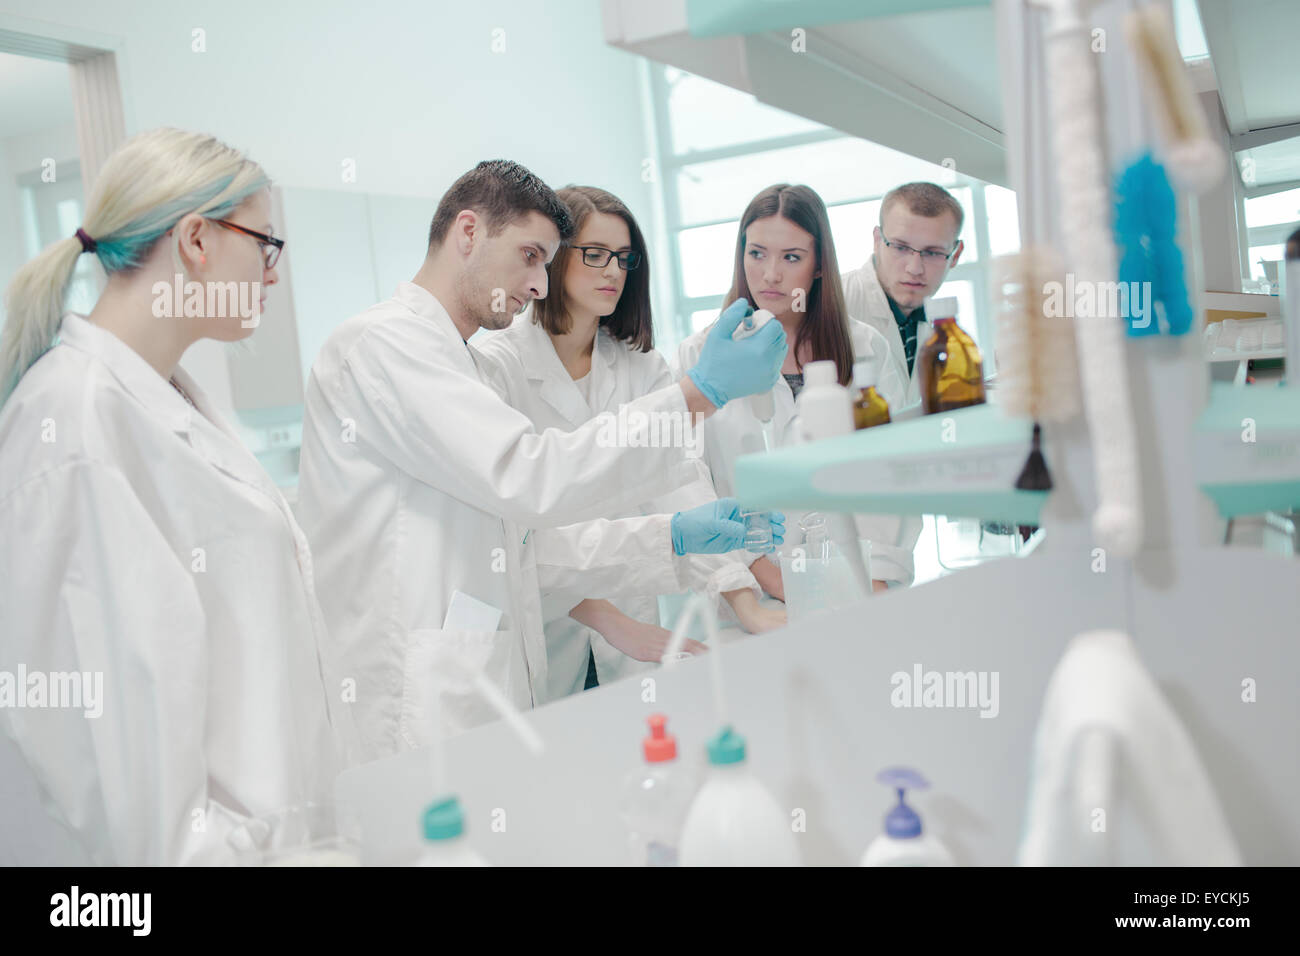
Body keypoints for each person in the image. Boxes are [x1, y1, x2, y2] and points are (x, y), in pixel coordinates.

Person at [295, 160, 786, 757]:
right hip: (408, 699)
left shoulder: (459, 361)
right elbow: (529, 476)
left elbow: (531, 547)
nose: (539, 285)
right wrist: (696, 395)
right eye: (531, 257)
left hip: (477, 686)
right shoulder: (383, 345)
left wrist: (672, 537)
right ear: (468, 232)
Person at [0, 128, 352, 865]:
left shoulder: (165, 401)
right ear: (197, 239)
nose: (272, 271)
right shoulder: (73, 422)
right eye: (265, 243)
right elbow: (124, 789)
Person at [475, 186, 786, 702]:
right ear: (552, 258)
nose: (613, 271)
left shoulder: (641, 368)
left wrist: (746, 600)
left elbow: (680, 483)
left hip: (634, 627)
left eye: (623, 258)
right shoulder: (498, 367)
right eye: (594, 255)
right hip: (545, 630)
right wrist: (608, 619)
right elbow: (518, 535)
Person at [673, 183, 913, 594]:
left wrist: (870, 584)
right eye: (756, 254)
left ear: (819, 265)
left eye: (791, 257)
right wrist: (777, 583)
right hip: (751, 595)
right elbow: (691, 485)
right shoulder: (699, 355)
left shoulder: (865, 348)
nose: (770, 274)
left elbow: (893, 476)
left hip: (860, 586)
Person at [841, 182, 965, 408]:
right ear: (878, 241)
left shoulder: (941, 330)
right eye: (900, 247)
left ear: (955, 255)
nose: (914, 268)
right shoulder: (837, 304)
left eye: (932, 252)